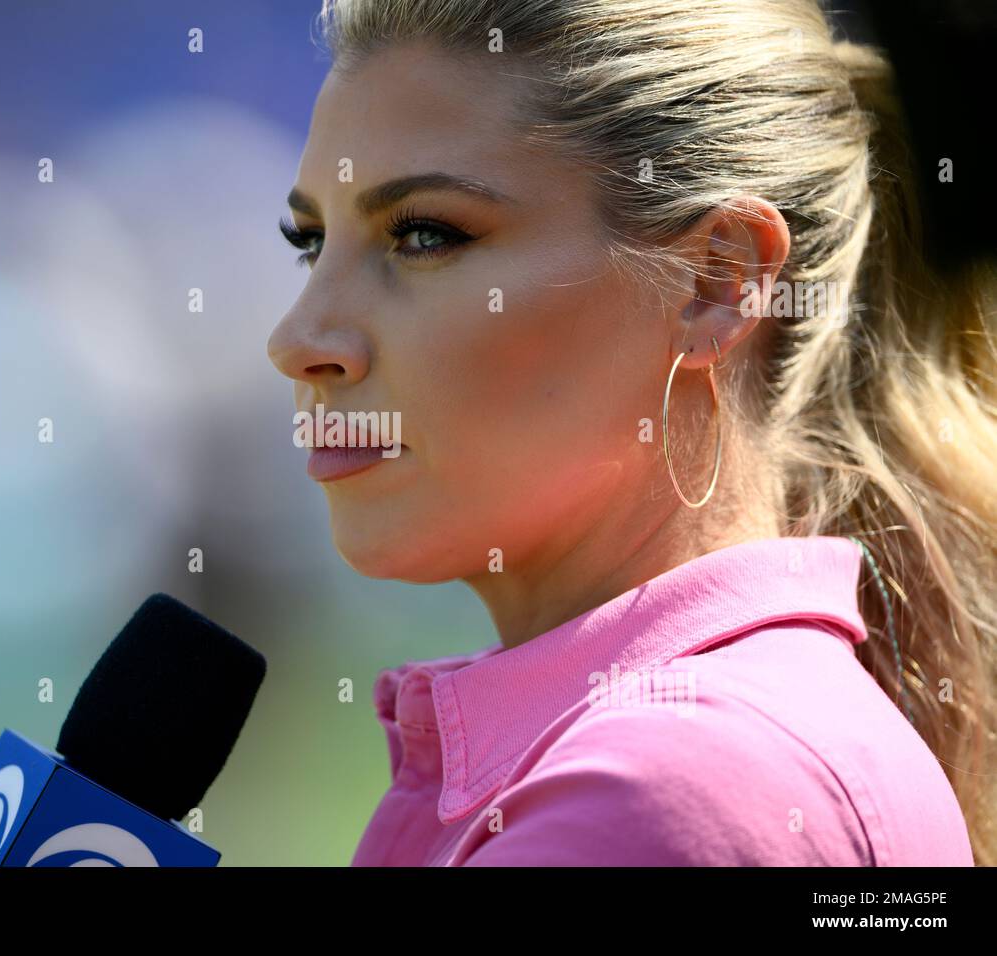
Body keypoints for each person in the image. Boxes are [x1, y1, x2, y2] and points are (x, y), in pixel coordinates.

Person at [267, 0, 995, 865]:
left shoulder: (665, 788)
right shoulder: (713, 747)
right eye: (310, 242)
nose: (298, 342)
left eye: (424, 235)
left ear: (719, 280)